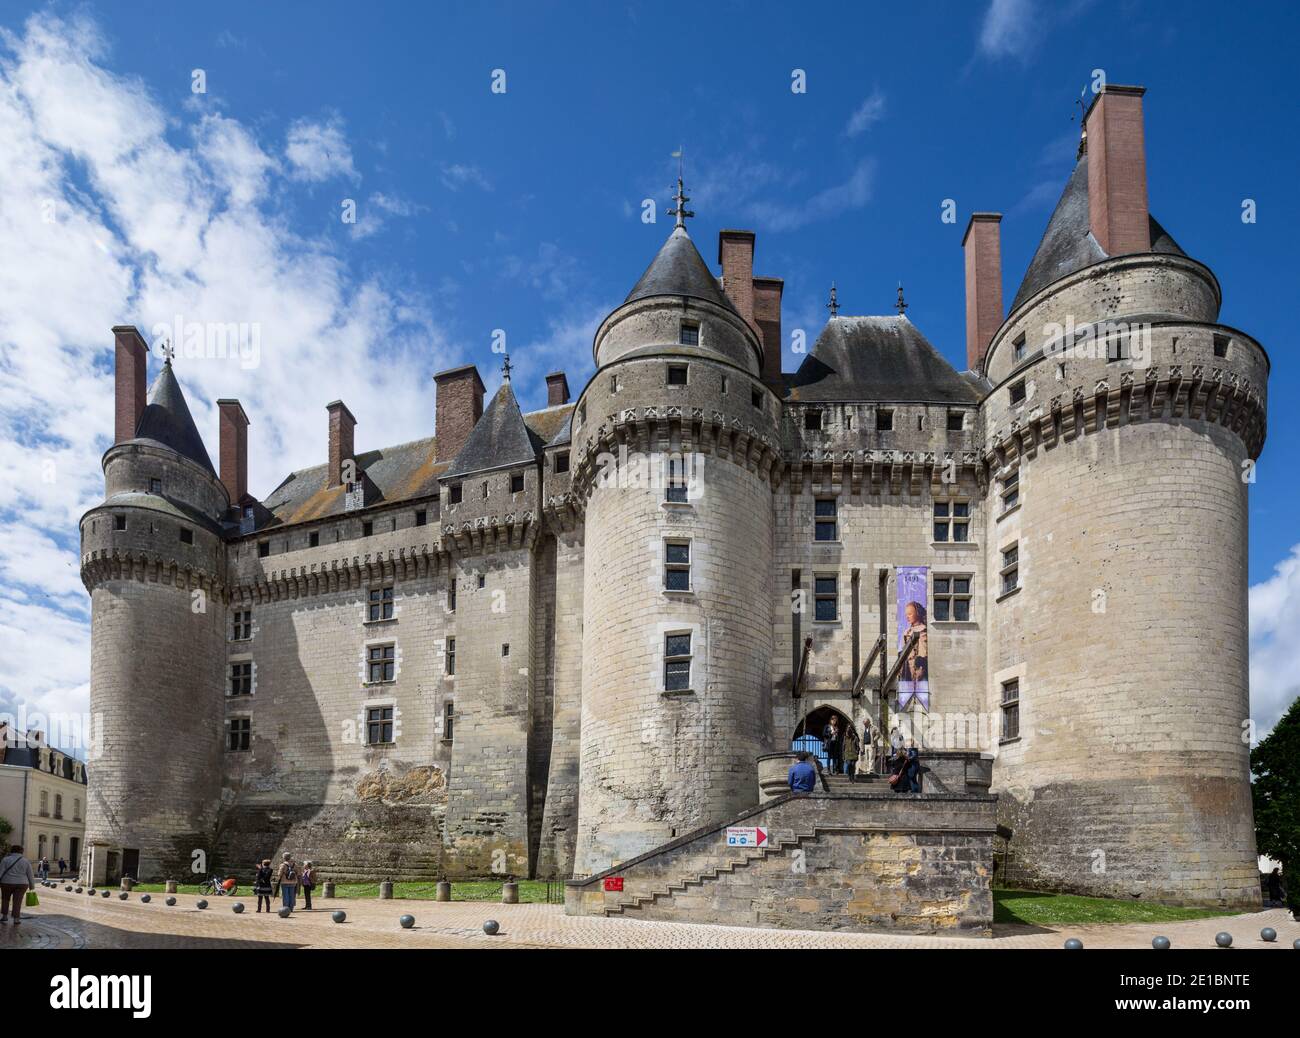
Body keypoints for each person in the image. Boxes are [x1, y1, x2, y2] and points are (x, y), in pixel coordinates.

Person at [0, 845, 36, 924]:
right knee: (17, 901)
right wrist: (32, 885)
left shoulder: (5, 859)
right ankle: (16, 919)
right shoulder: (25, 861)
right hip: (22, 884)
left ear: (11, 851)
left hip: (7, 882)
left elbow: (1, 872)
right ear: (21, 851)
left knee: (5, 899)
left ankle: (4, 916)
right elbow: (30, 874)